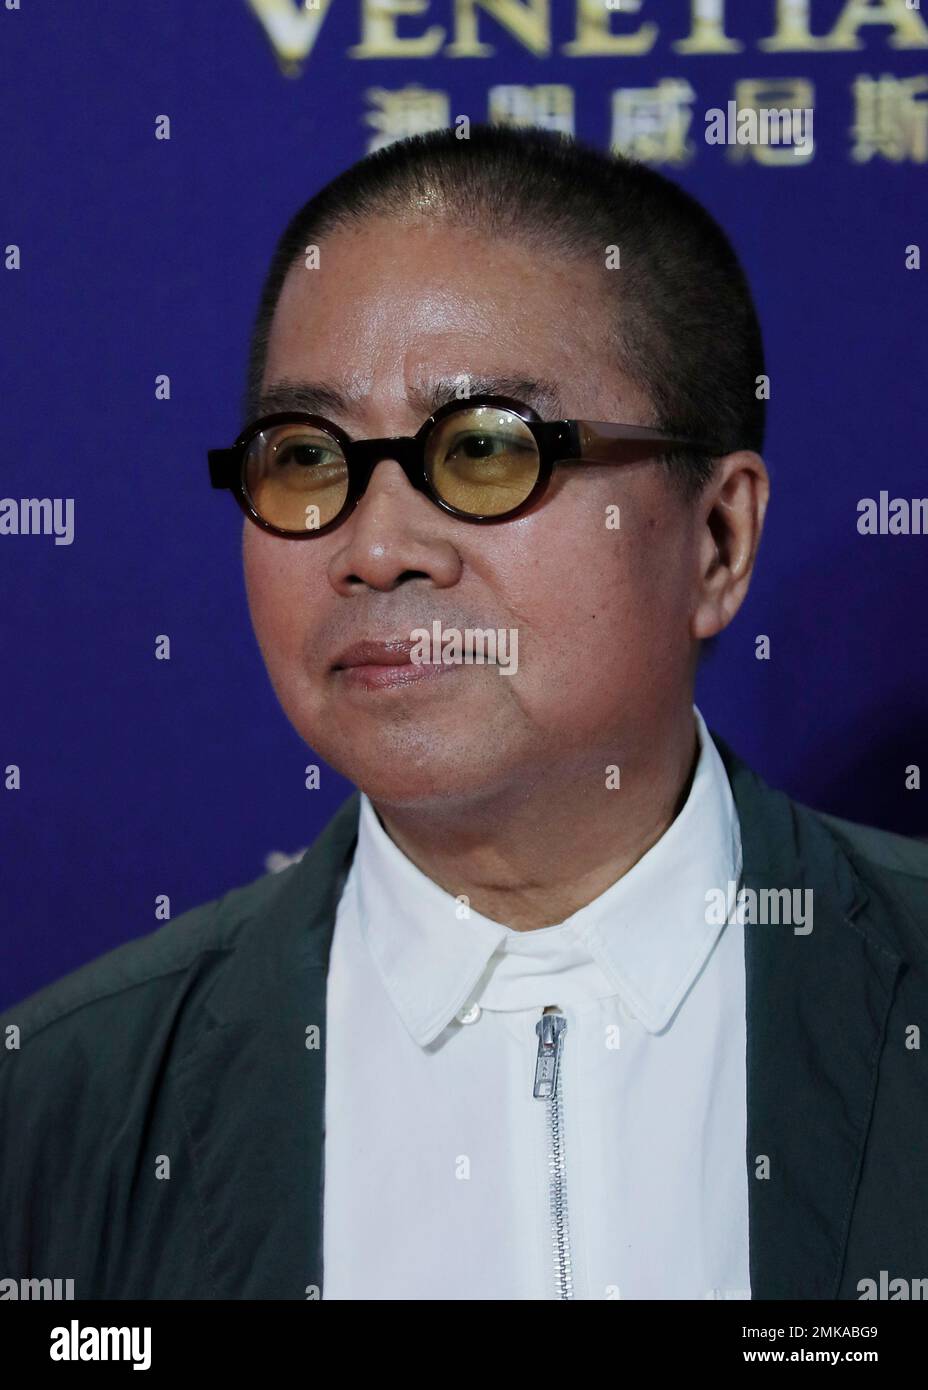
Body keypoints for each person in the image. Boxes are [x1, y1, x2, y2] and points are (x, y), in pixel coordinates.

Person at [1, 125, 926, 1302]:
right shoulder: (62, 1109)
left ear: (716, 540)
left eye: (486, 449)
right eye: (305, 457)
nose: (375, 547)